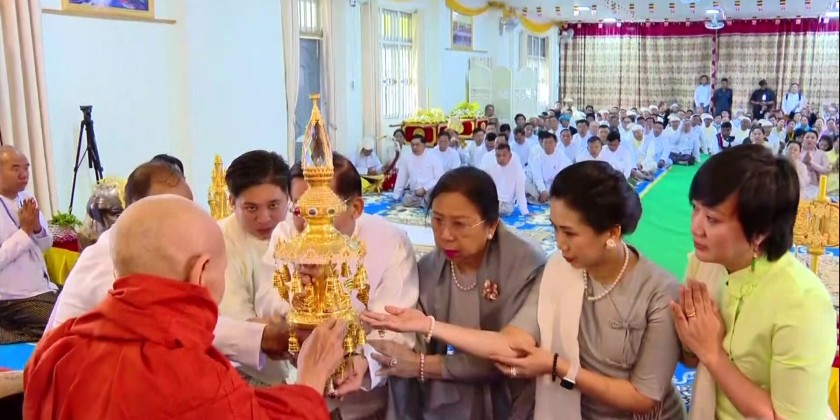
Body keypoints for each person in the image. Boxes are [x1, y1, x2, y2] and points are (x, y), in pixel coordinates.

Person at [364, 161, 685, 418]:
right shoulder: (560, 270)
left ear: (612, 233)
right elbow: (510, 344)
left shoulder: (659, 291)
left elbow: (643, 397)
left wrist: (557, 366)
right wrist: (427, 325)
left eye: (570, 233)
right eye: (555, 228)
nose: (559, 244)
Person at [24, 195, 344, 420]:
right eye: (224, 268)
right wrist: (311, 380)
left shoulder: (56, 347)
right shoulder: (187, 375)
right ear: (201, 272)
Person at [46, 160, 294, 378]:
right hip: (81, 381)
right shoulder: (111, 254)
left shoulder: (168, 246)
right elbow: (171, 323)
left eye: (189, 205)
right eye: (173, 206)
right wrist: (263, 336)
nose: (264, 218)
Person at [675, 145, 836, 420]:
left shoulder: (803, 302)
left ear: (760, 232)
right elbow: (691, 358)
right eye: (695, 209)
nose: (695, 227)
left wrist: (713, 353)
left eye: (712, 218)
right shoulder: (703, 263)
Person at [373, 167, 546, 419]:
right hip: (448, 396)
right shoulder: (430, 269)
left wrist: (424, 361)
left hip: (513, 396)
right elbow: (409, 349)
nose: (445, 235)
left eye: (460, 224)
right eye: (437, 220)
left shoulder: (526, 266)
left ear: (491, 226)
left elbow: (512, 352)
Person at [267, 153, 419, 419]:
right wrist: (298, 301)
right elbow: (270, 304)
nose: (307, 224)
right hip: (296, 390)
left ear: (356, 208)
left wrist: (363, 359)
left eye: (322, 212)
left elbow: (396, 328)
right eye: (300, 210)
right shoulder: (286, 236)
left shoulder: (389, 241)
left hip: (362, 402)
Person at [218, 150, 294, 385]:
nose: (264, 218)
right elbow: (235, 322)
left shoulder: (299, 229)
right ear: (232, 202)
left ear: (289, 198)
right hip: (247, 374)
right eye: (251, 208)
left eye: (273, 205)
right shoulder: (218, 240)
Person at [0, 145, 55, 344]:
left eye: (26, 167)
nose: (24, 174)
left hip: (40, 288)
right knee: (59, 325)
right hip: (12, 297)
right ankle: (7, 333)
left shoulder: (26, 198)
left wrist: (37, 228)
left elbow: (46, 245)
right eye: (15, 168)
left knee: (79, 309)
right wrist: (24, 232)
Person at [393, 134, 444, 208]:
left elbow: (440, 177)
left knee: (433, 195)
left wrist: (424, 188)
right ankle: (424, 203)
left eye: (417, 145)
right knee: (406, 201)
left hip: (430, 191)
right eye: (412, 145)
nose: (414, 147)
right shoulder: (407, 157)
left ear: (424, 145)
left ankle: (427, 203)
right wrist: (396, 196)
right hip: (415, 193)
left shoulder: (434, 157)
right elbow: (402, 177)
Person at [480, 143, 529, 216]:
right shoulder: (491, 166)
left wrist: (525, 211)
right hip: (492, 200)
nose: (501, 158)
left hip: (506, 204)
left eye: (504, 155)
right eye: (498, 156)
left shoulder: (517, 169)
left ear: (510, 156)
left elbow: (520, 192)